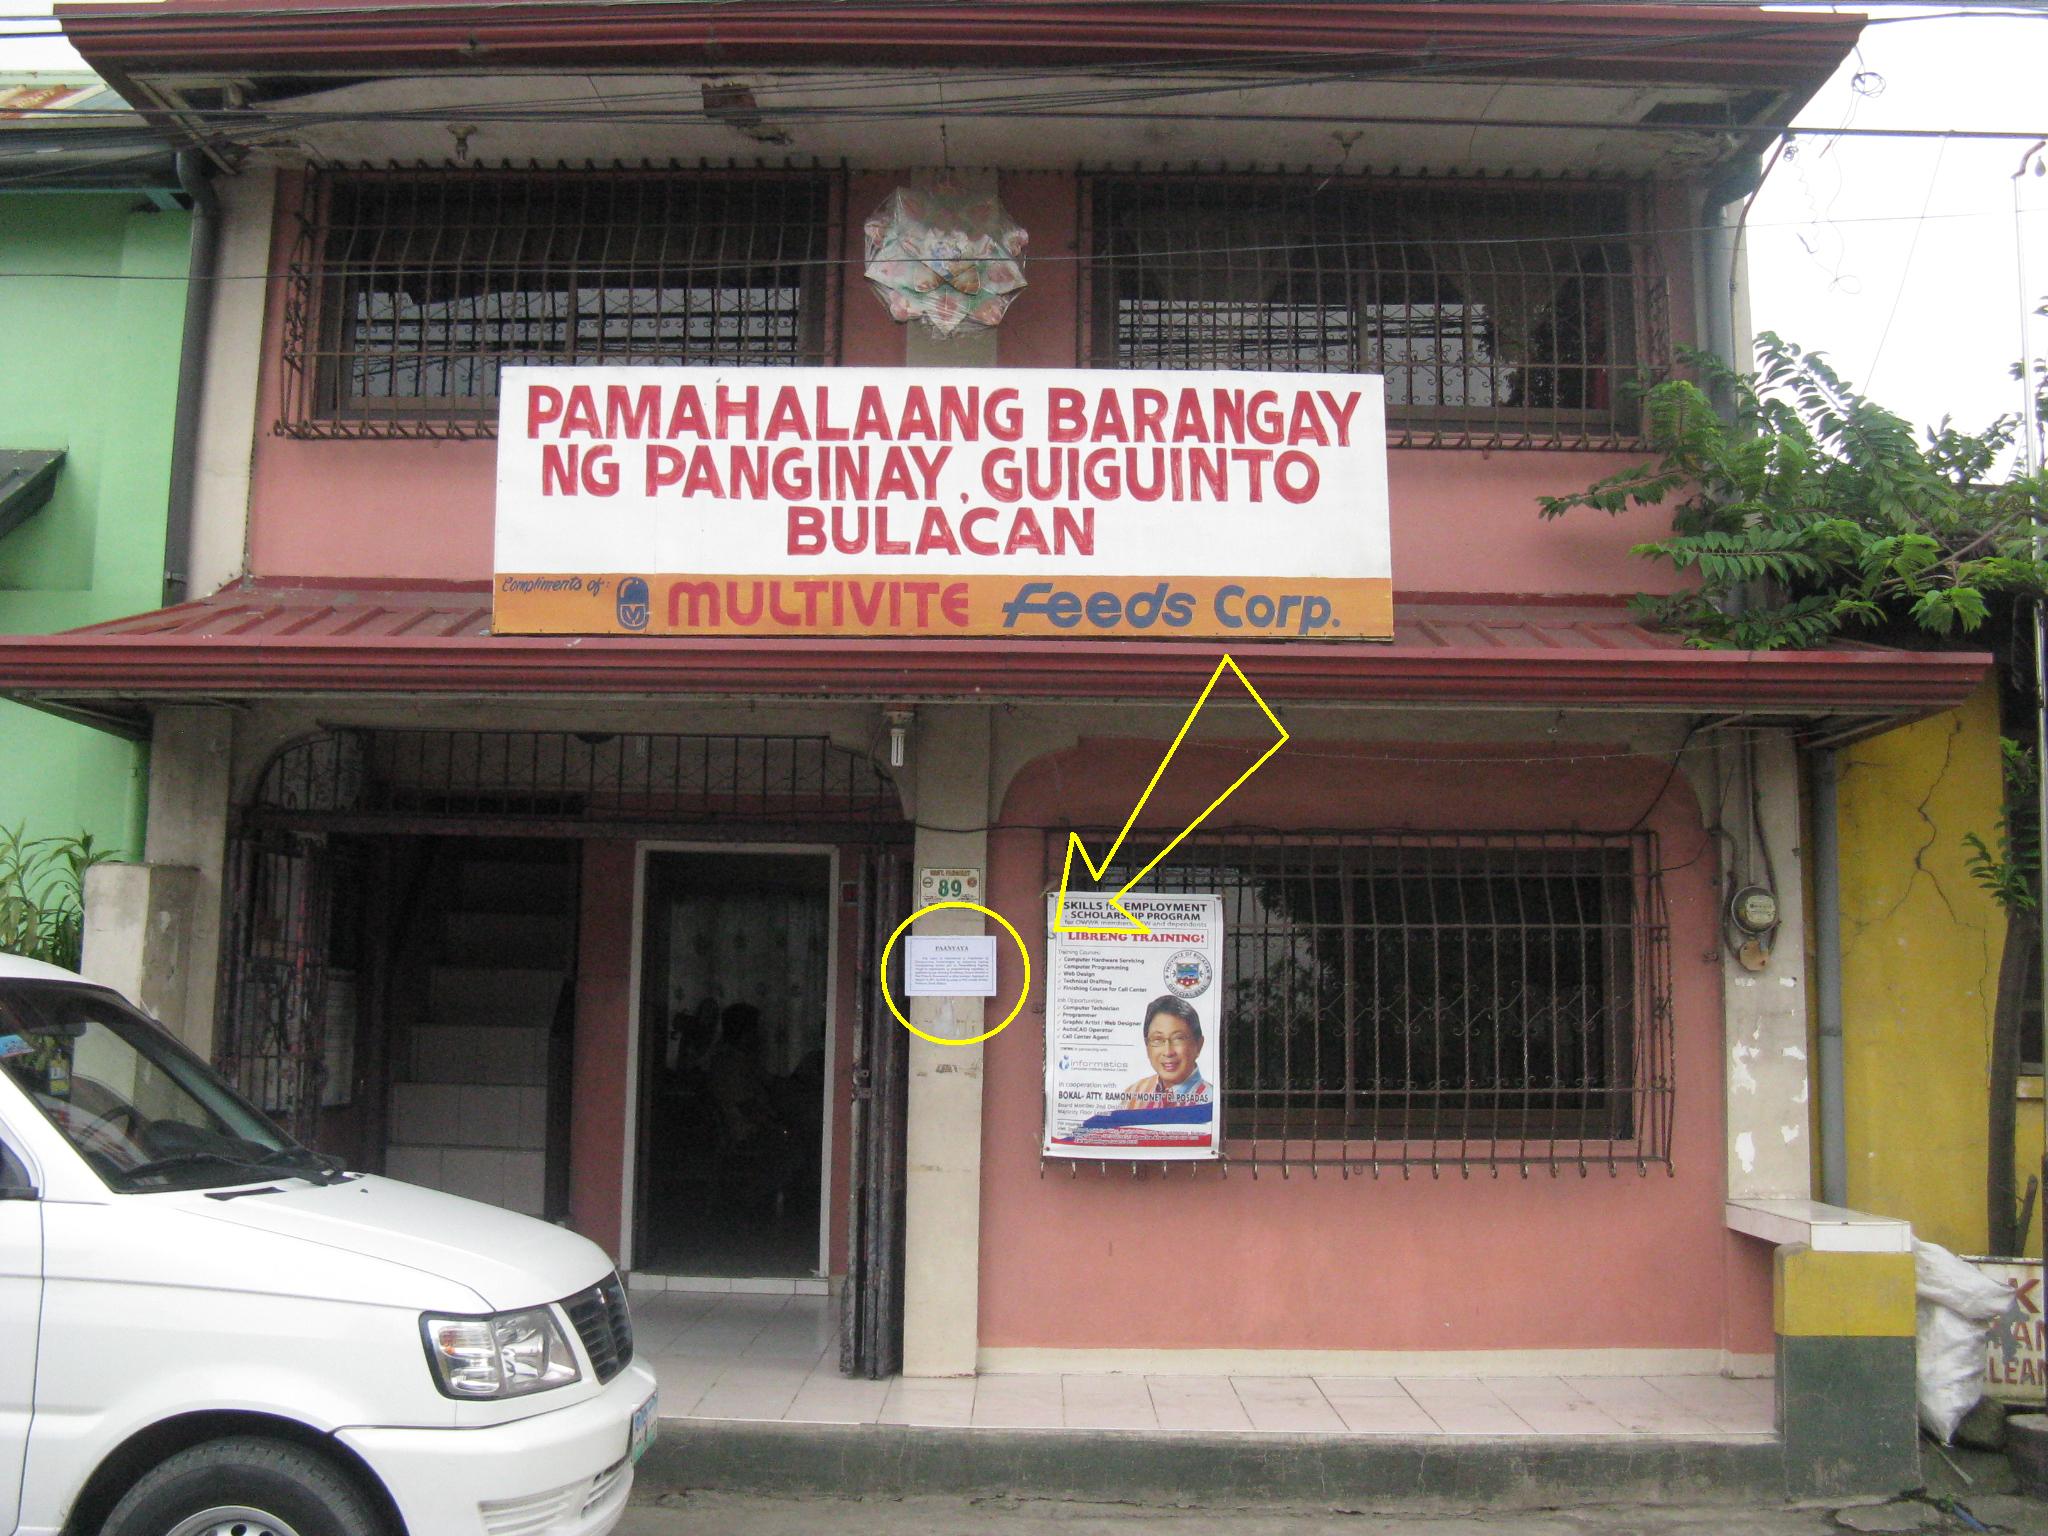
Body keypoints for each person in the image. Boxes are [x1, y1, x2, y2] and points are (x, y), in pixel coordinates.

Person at [1122, 995, 1210, 1109]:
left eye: (1178, 1038)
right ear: (1147, 1046)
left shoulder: (1211, 1100)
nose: (1168, 1052)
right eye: (1158, 1039)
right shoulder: (1133, 1095)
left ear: (1198, 1045)